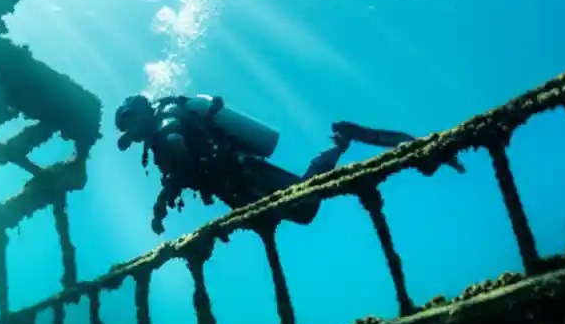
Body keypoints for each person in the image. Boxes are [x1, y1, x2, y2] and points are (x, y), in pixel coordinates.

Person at [114, 93, 464, 234]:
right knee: (302, 213)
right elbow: (182, 172)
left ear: (144, 110)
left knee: (307, 202)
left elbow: (178, 150)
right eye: (124, 126)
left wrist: (161, 203)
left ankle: (346, 139)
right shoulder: (157, 139)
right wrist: (163, 202)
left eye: (129, 120)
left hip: (245, 171)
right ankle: (340, 145)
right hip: (233, 187)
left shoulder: (168, 120)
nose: (129, 130)